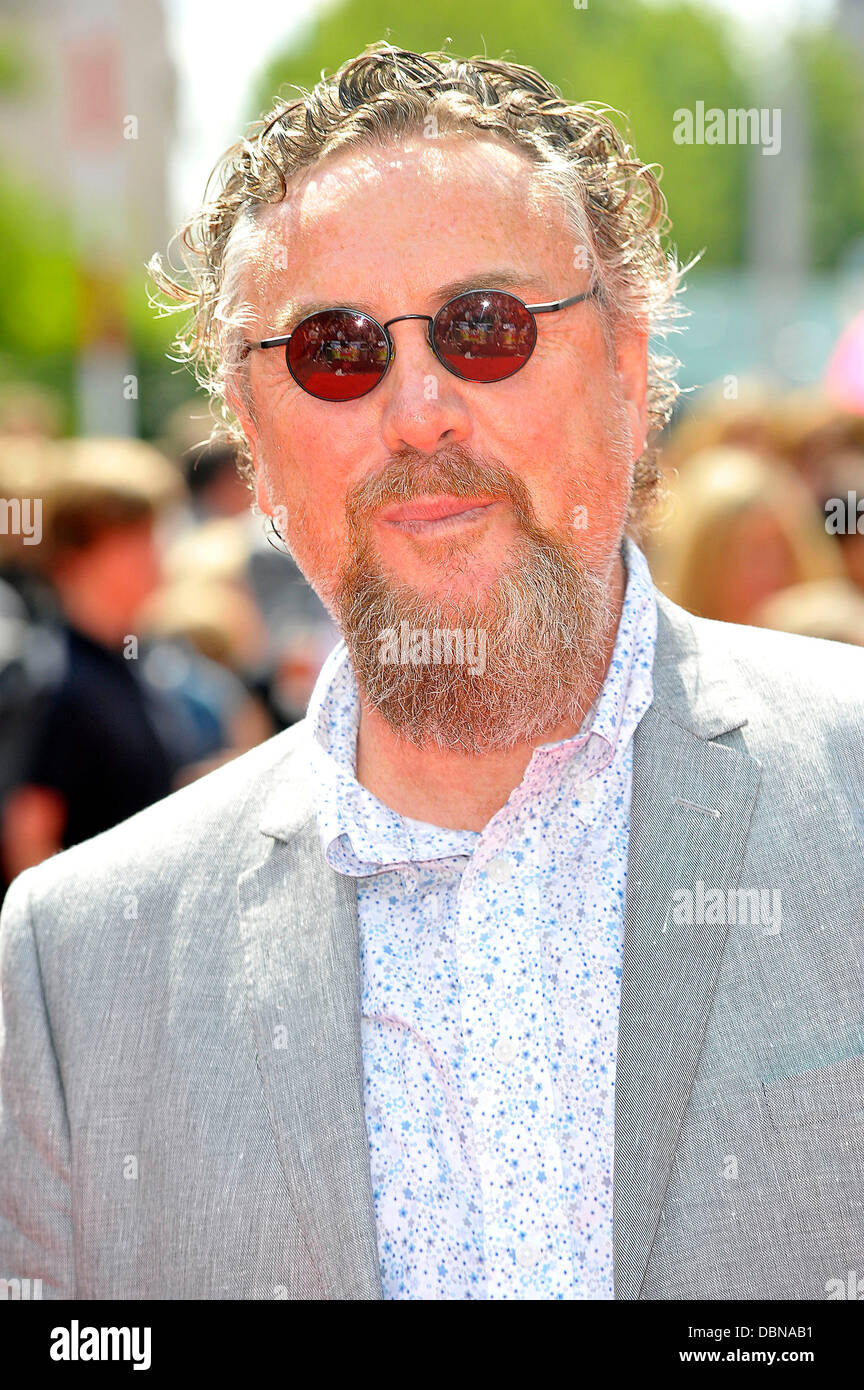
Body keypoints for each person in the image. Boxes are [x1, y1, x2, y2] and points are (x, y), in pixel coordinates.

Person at [1, 42, 863, 1302]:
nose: (418, 412)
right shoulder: (76, 970)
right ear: (254, 448)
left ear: (629, 373)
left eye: (486, 328)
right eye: (335, 351)